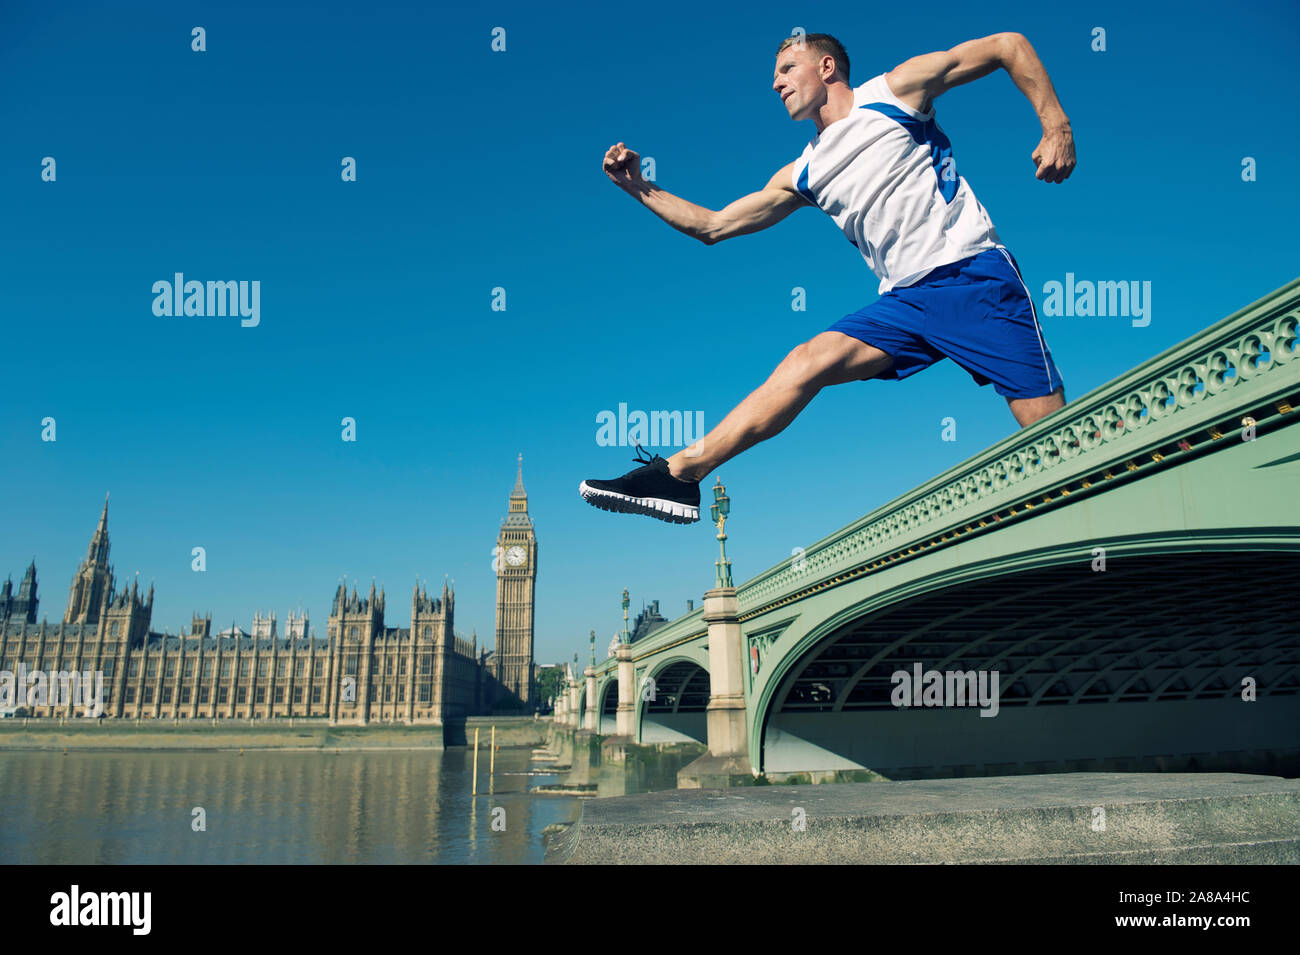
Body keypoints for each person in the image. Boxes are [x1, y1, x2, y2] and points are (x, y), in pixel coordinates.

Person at [580, 32, 1076, 524]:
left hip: (972, 278)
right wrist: (638, 186)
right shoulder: (804, 171)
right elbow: (714, 226)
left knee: (1058, 449)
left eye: (786, 70)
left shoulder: (894, 92)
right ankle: (681, 475)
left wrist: (1056, 127)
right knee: (806, 362)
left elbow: (1008, 46)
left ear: (826, 68)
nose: (776, 84)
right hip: (903, 304)